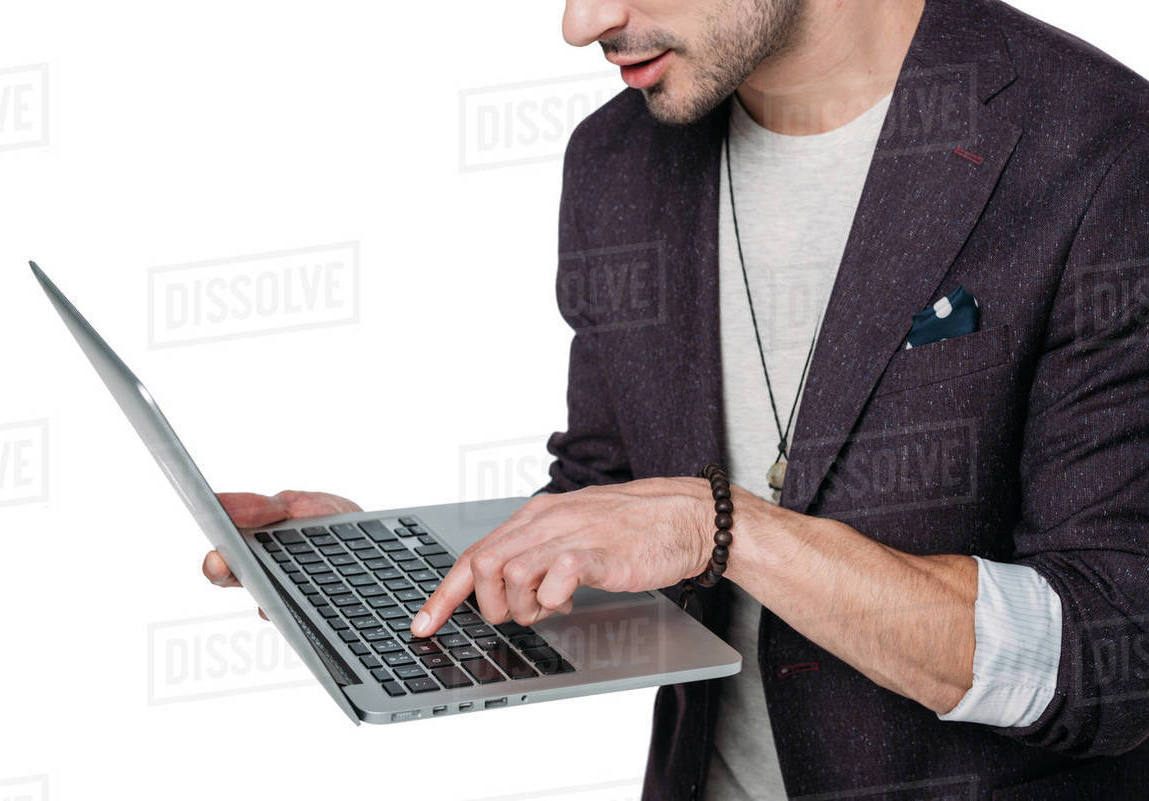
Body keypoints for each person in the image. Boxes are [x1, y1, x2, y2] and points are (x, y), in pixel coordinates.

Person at [204, 0, 1149, 798]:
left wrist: (723, 527)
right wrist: (411, 573)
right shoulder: (617, 160)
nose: (583, 23)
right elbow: (613, 515)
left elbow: (1116, 655)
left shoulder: (1100, 150)